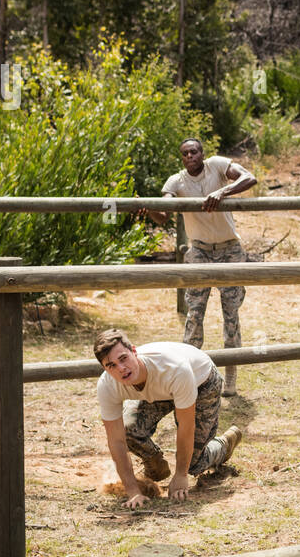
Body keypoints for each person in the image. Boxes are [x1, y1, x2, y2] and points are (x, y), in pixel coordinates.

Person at [142, 138, 256, 396]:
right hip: (200, 250)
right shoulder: (176, 181)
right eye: (185, 153)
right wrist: (148, 208)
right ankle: (190, 375)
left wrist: (221, 192)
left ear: (202, 154)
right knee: (194, 314)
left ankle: (230, 377)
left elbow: (249, 177)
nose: (190, 156)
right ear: (181, 158)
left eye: (194, 151)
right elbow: (164, 214)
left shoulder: (216, 166)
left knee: (231, 315)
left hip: (229, 248)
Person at [94, 328, 242, 510]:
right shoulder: (107, 385)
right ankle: (156, 467)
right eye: (112, 366)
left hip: (201, 381)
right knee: (128, 431)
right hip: (161, 390)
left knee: (193, 465)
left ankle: (223, 445)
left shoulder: (175, 370)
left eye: (123, 358)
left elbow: (186, 426)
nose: (121, 368)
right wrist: (133, 491)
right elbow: (116, 440)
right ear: (105, 369)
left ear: (134, 351)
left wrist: (181, 474)